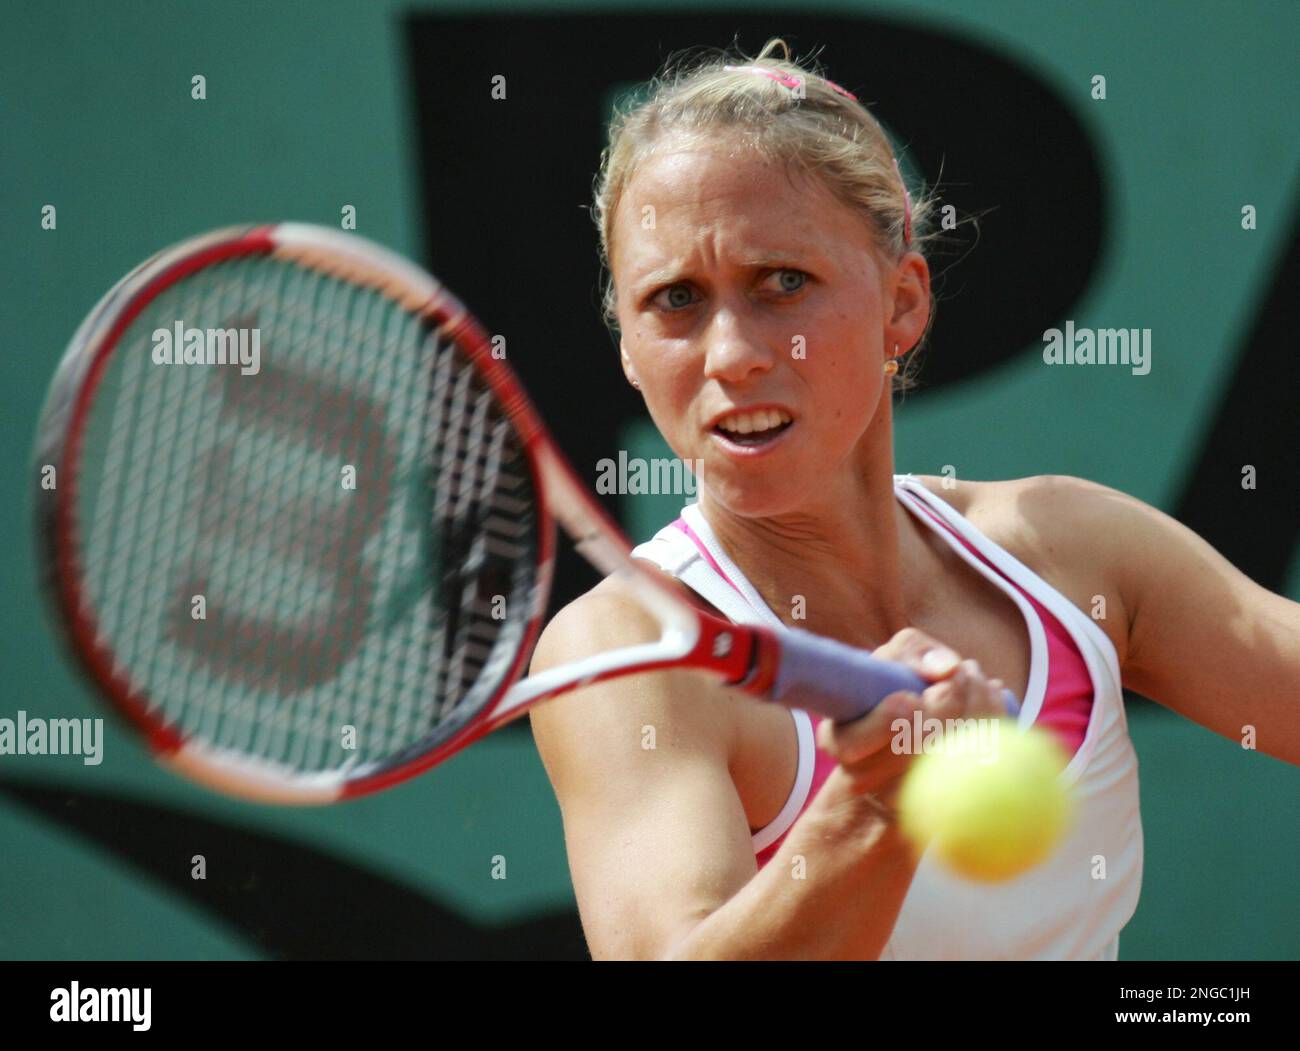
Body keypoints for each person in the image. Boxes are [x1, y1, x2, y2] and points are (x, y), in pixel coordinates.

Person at [528, 38, 1300, 960]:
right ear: (628, 349)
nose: (730, 353)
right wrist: (878, 803)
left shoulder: (1069, 548)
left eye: (784, 283)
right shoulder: (625, 653)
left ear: (902, 302)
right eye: (676, 299)